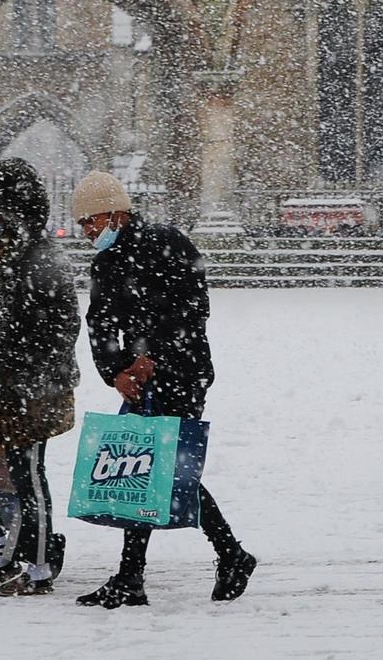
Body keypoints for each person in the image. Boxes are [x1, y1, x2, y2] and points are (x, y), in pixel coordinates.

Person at [70, 171, 256, 609]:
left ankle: (216, 557)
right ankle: (214, 558)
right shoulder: (107, 261)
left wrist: (151, 354)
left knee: (162, 468)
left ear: (115, 212)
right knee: (148, 470)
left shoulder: (168, 243)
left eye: (90, 221)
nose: (87, 232)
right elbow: (99, 324)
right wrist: (115, 370)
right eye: (82, 225)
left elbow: (192, 308)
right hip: (140, 382)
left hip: (182, 374)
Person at [0, 158, 80, 598]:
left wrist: (25, 378)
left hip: (24, 388)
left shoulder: (35, 259)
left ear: (7, 205)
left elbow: (60, 329)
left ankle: (36, 563)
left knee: (25, 472)